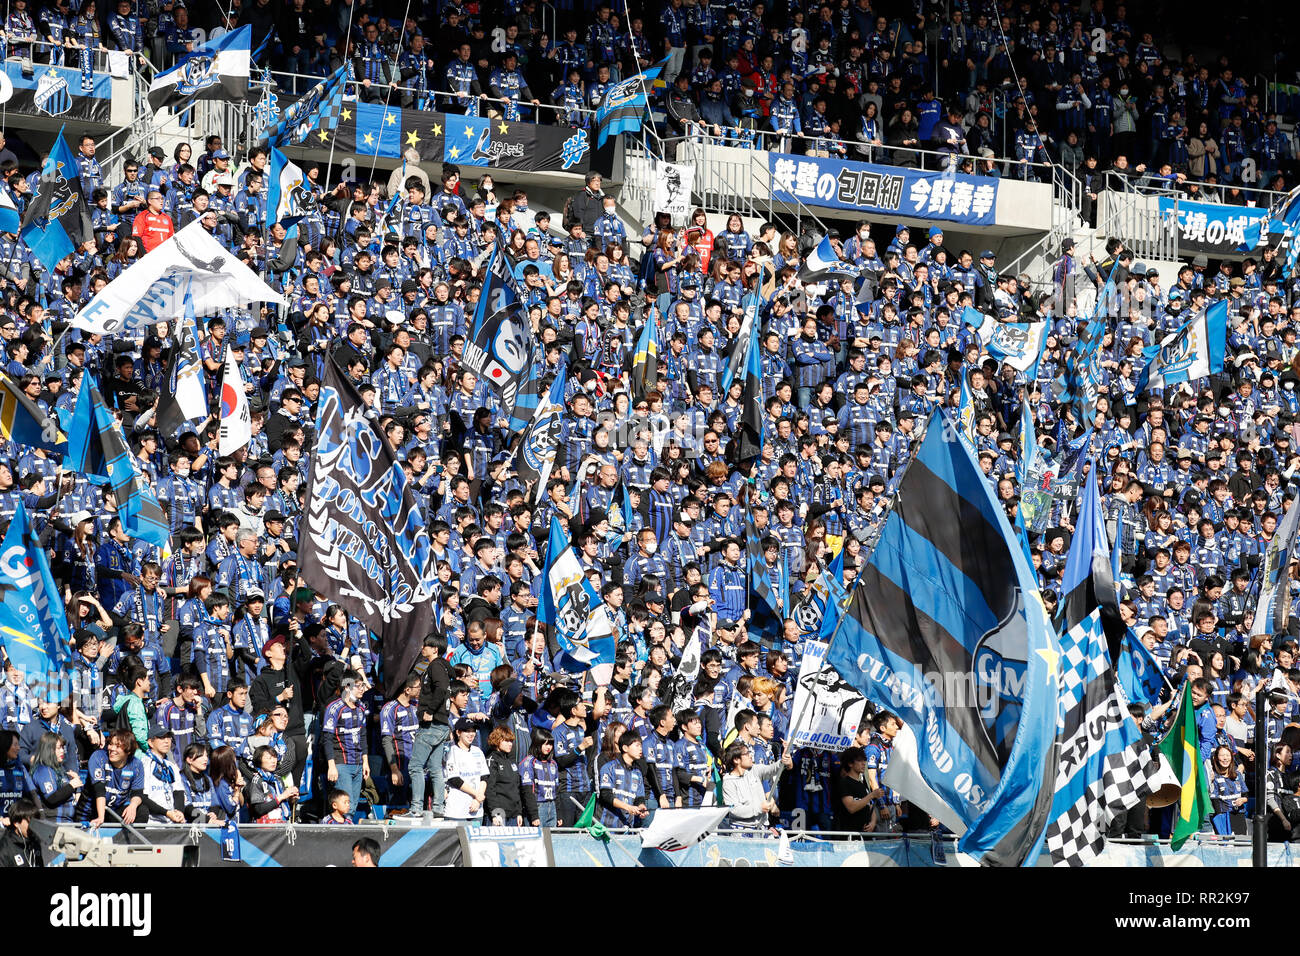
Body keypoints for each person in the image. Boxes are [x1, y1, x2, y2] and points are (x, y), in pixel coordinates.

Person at [483, 724, 535, 826]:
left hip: (513, 815)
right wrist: (495, 813)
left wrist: (519, 813)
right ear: (497, 740)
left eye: (511, 741)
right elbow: (490, 789)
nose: (510, 744)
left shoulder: (511, 762)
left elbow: (516, 789)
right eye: (506, 741)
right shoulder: (491, 760)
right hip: (498, 814)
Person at [443, 717, 488, 824]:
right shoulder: (451, 751)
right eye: (467, 731)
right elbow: (454, 779)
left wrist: (478, 799)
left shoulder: (478, 751)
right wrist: (477, 795)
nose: (471, 734)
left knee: (475, 841)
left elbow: (484, 776)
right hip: (456, 810)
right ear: (458, 732)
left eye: (473, 731)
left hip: (476, 809)